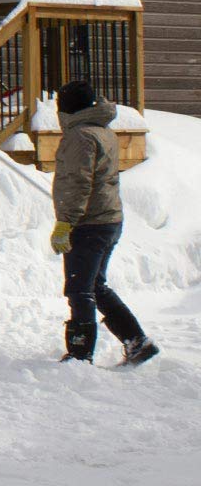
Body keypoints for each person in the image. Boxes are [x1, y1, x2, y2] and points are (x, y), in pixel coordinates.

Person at [49, 80, 159, 366]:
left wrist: (66, 223)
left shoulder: (80, 136)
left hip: (89, 223)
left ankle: (80, 354)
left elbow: (78, 182)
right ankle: (137, 342)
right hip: (108, 220)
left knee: (79, 289)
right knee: (95, 286)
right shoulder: (100, 130)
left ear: (66, 108)